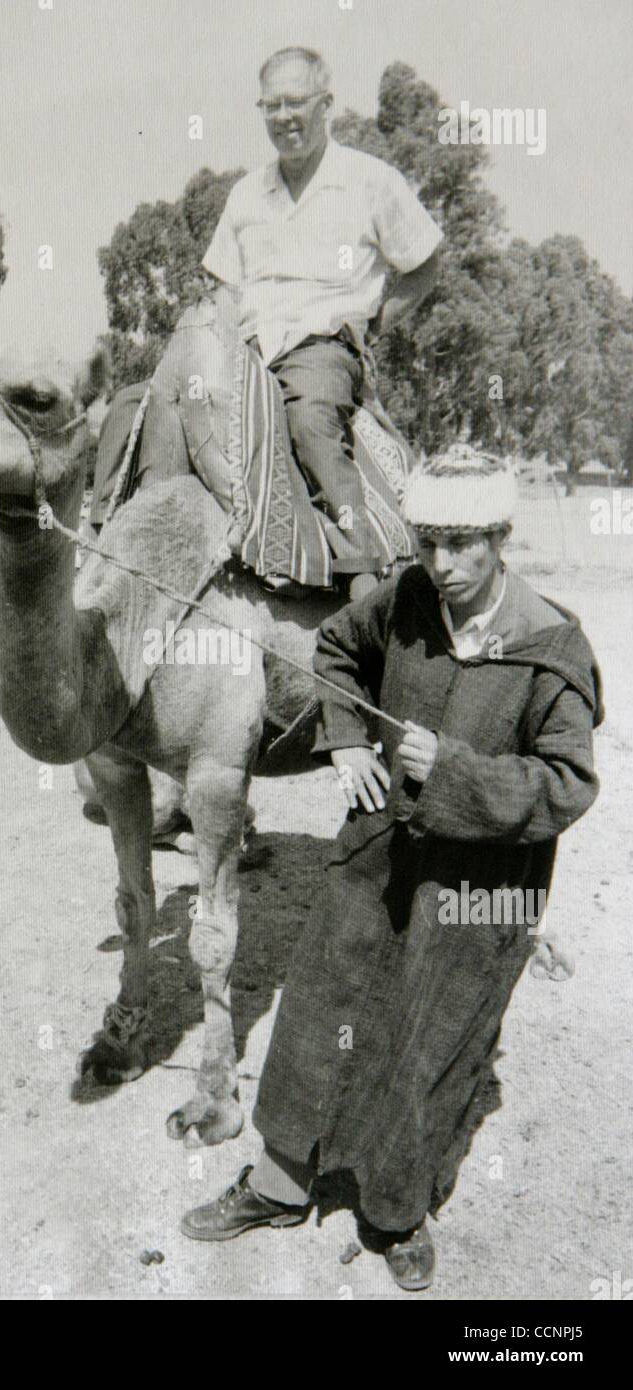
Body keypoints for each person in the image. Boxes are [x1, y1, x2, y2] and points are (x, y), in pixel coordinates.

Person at [181, 447, 602, 1291]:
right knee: (322, 1005)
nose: (443, 566)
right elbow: (332, 650)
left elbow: (569, 783)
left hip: (480, 889)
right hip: (377, 856)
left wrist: (450, 772)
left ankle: (396, 1211)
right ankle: (279, 1182)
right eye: (429, 542)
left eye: (464, 545)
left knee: (432, 1038)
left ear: (500, 535)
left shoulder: (552, 646)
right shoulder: (406, 599)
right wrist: (342, 743)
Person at [201, 47, 442, 599]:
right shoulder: (245, 195)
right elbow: (223, 287)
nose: (284, 117)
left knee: (309, 417)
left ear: (326, 103)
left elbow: (425, 262)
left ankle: (363, 571)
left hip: (323, 346)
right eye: (272, 105)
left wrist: (375, 324)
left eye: (297, 102)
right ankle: (110, 550)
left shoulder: (370, 180)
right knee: (144, 404)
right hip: (247, 348)